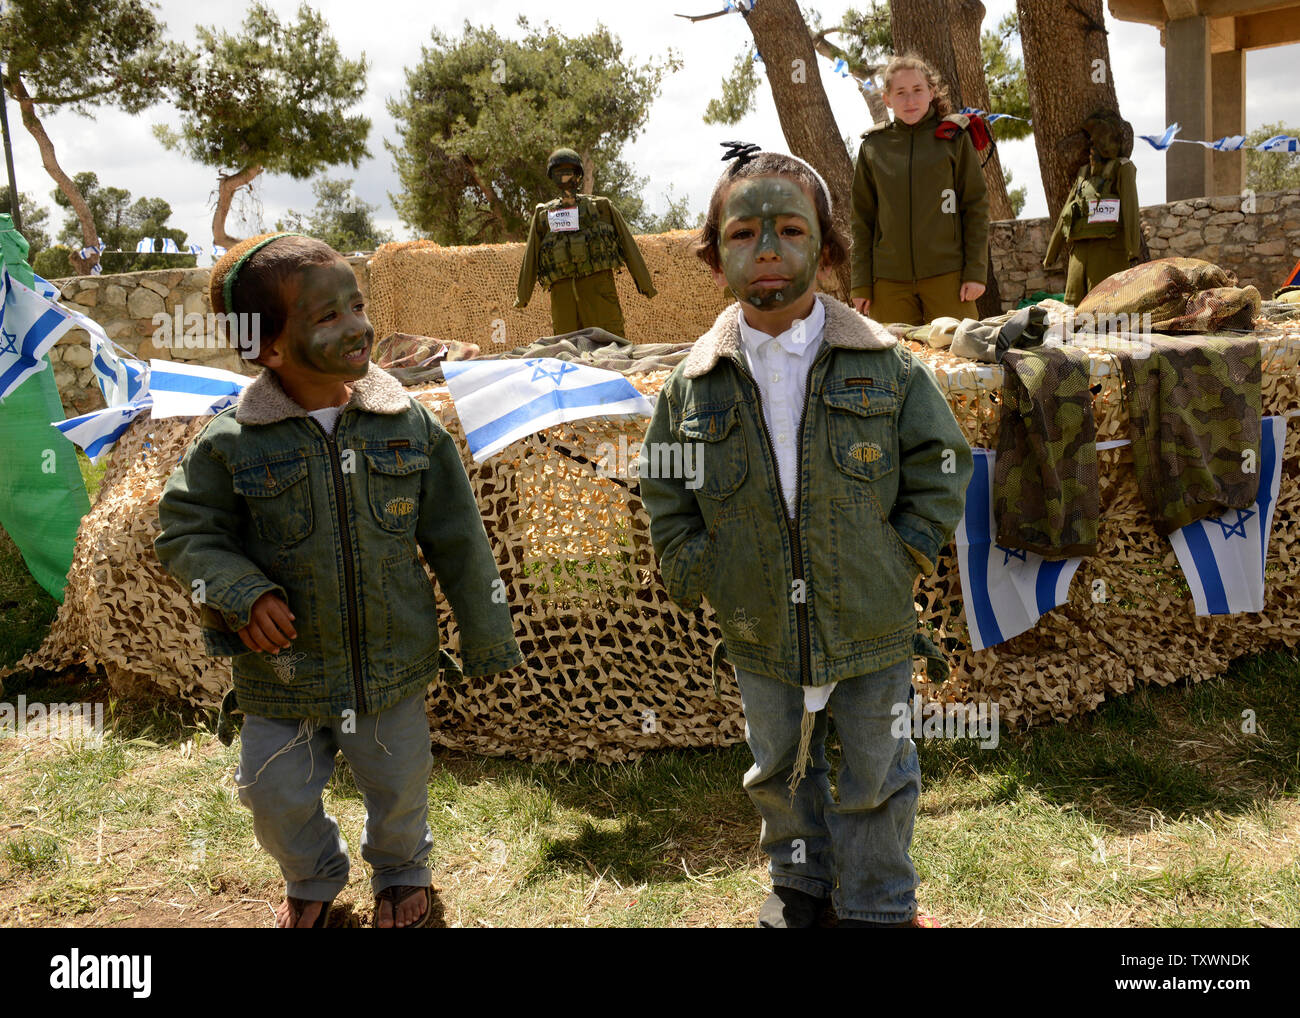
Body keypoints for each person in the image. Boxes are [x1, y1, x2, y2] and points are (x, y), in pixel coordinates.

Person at [638, 144, 973, 927]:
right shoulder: (694, 382)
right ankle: (802, 890)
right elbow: (665, 487)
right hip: (756, 625)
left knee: (877, 770)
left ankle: (879, 904)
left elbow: (943, 461)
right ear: (714, 255)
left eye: (789, 229)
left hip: (869, 617)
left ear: (825, 251)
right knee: (777, 771)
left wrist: (906, 552)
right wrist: (698, 567)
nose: (766, 248)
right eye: (742, 233)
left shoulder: (885, 366)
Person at [154, 233, 522, 929]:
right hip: (281, 673)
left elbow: (459, 539)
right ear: (266, 348)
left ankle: (401, 871)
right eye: (325, 317)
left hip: (390, 661)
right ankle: (312, 876)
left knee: (398, 786)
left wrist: (487, 636)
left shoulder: (408, 425)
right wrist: (239, 593)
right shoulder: (230, 442)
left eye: (356, 305)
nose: (355, 326)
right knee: (272, 792)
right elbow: (184, 532)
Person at [850, 54, 990, 326]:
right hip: (889, 282)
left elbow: (975, 206)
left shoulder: (955, 139)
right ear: (887, 99)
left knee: (961, 361)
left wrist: (975, 271)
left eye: (917, 90)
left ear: (931, 92)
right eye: (900, 93)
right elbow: (861, 220)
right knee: (892, 364)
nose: (910, 100)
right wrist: (861, 284)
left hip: (949, 276)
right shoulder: (873, 147)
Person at [515, 147, 657, 338]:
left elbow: (628, 245)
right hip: (563, 300)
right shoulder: (544, 215)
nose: (565, 177)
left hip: (599, 293)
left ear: (579, 176)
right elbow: (531, 257)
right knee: (569, 356)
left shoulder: (601, 208)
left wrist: (645, 284)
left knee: (610, 349)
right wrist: (522, 297)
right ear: (552, 176)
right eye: (559, 172)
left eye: (569, 171)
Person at [1043, 110, 1141, 305]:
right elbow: (1065, 214)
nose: (1090, 148)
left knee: (1105, 308)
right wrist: (1051, 254)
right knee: (1074, 307)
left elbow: (1130, 211)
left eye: (1095, 142)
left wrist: (1133, 251)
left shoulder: (1122, 169)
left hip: (1108, 254)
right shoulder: (1083, 174)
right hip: (1079, 253)